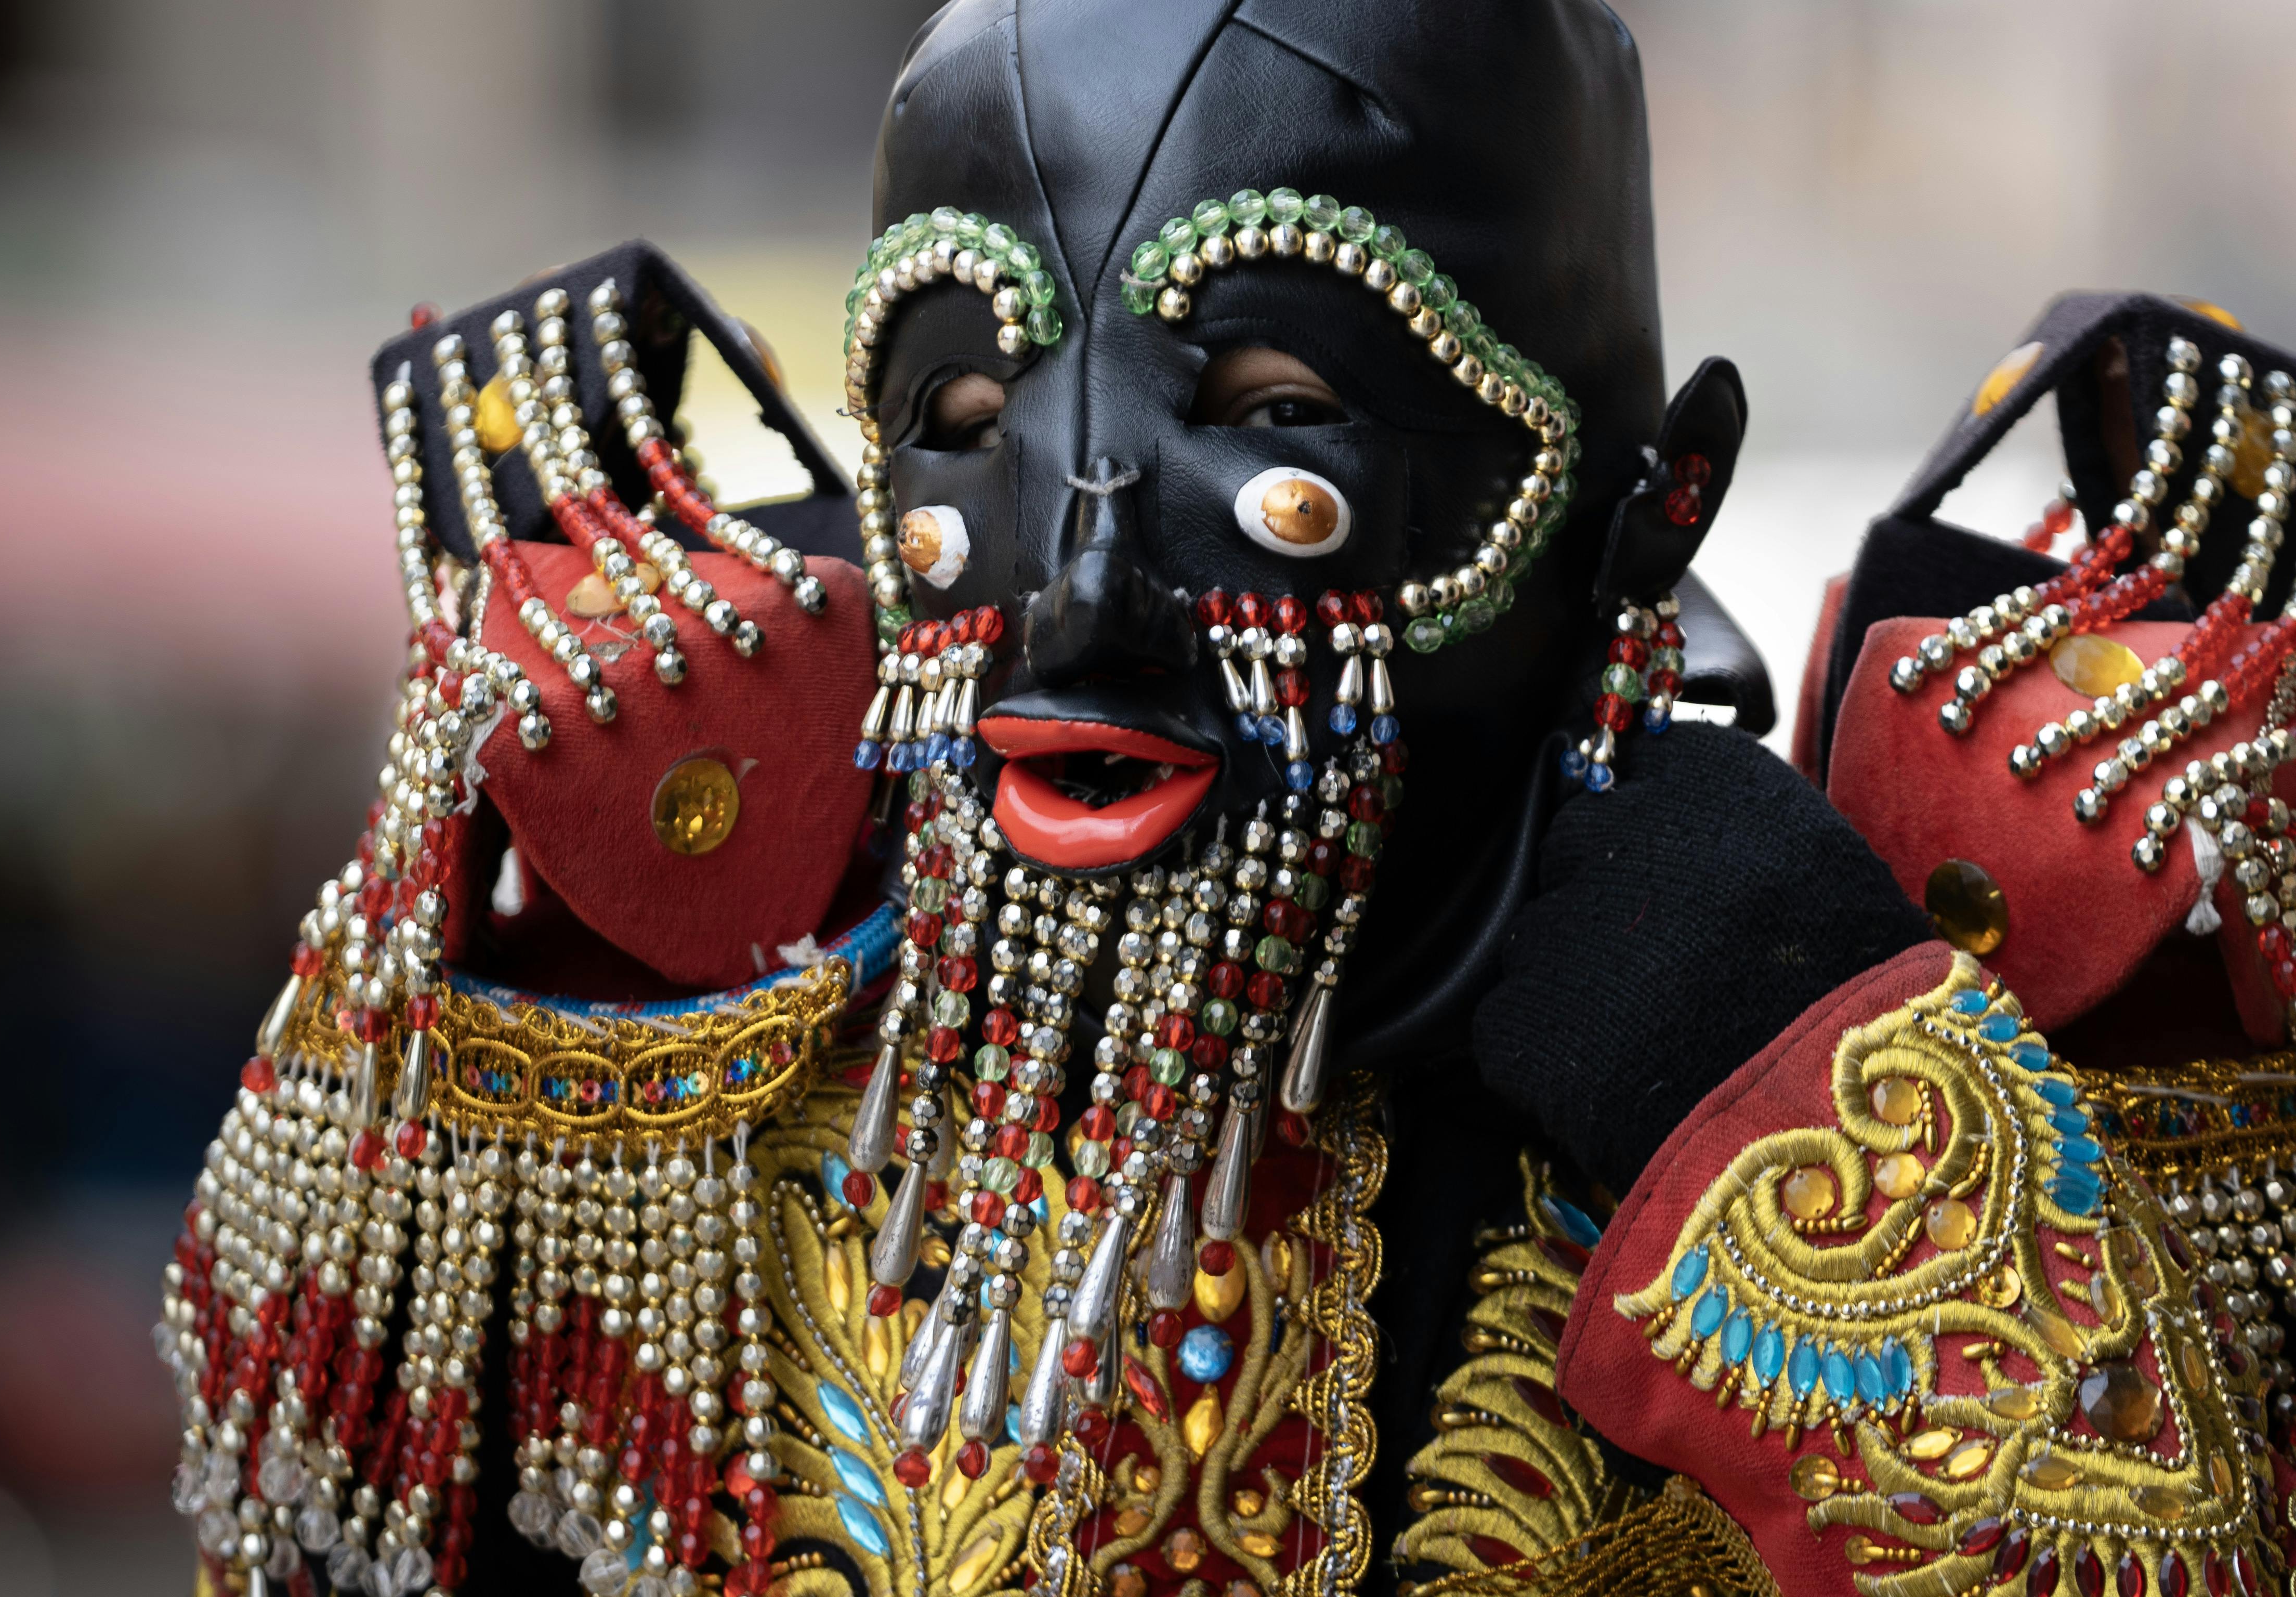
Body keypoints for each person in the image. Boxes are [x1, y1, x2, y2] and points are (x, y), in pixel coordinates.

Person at [154, 2, 2295, 1595]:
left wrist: (1802, 1090)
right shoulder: (694, 1055)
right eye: (965, 421)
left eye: (1277, 413)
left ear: (1657, 499)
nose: (1079, 587)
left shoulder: (1891, 1003)